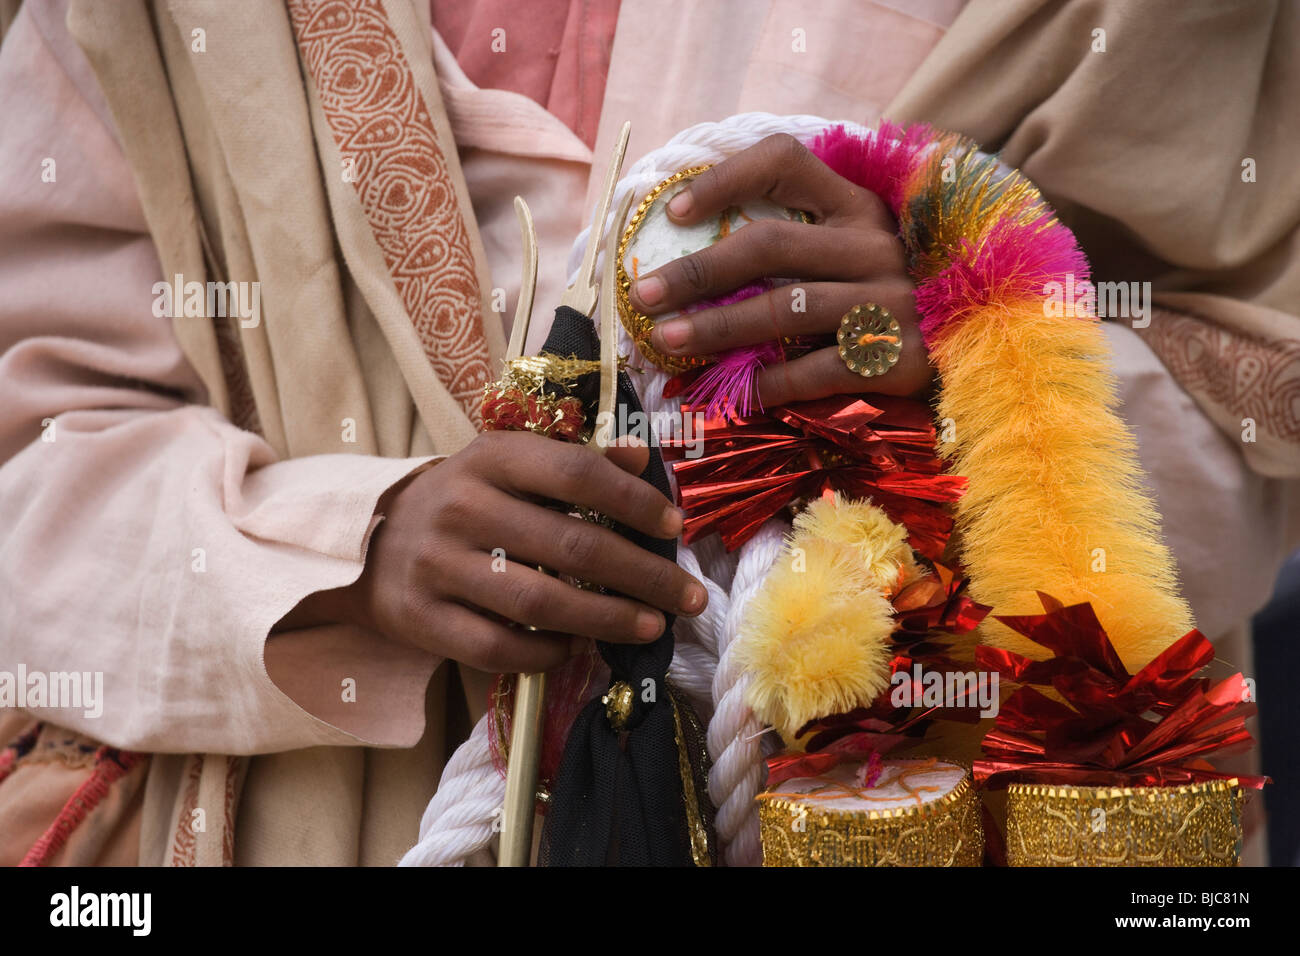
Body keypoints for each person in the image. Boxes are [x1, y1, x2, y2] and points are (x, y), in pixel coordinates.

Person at [0, 0, 1295, 865]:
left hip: (911, 788)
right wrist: (353, 546)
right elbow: (31, 458)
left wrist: (981, 350)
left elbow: (1253, 427)